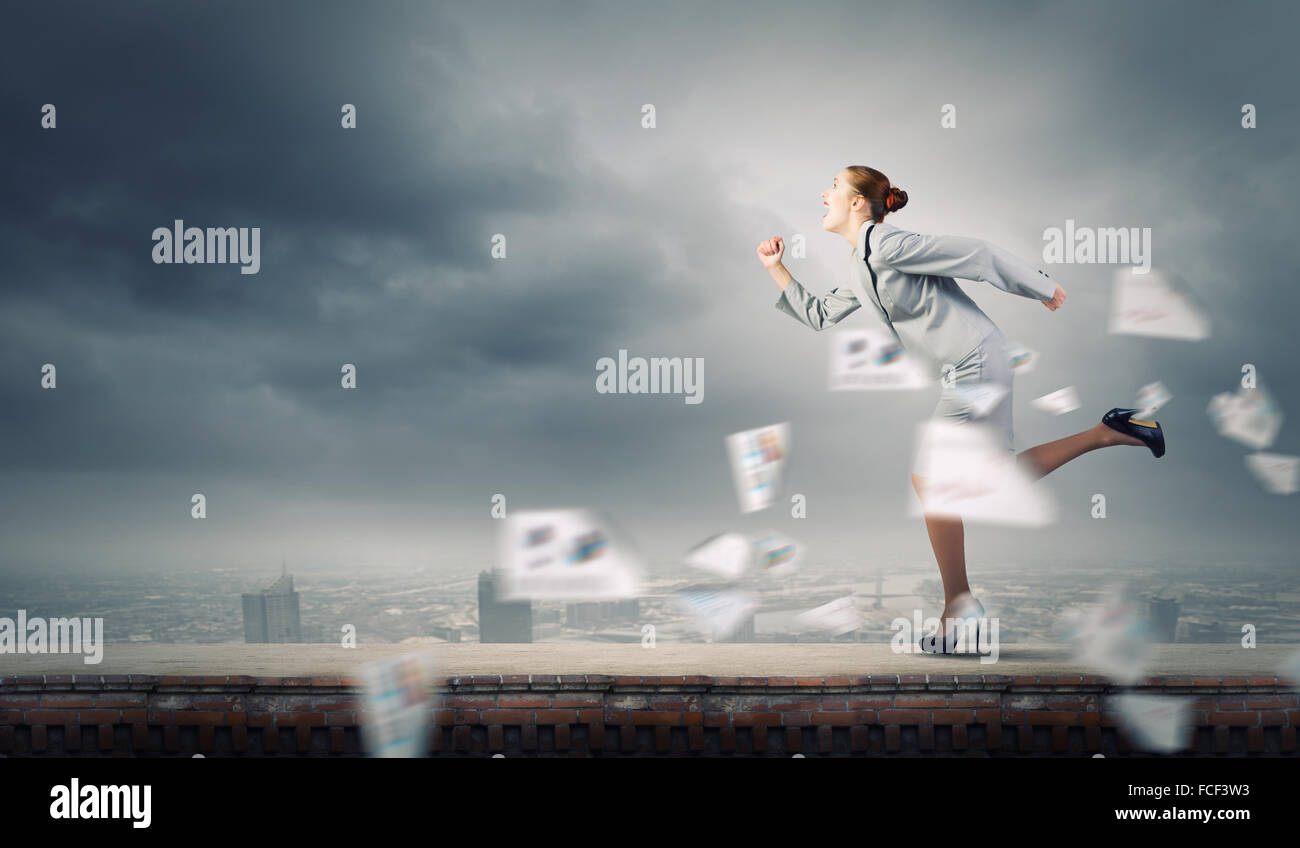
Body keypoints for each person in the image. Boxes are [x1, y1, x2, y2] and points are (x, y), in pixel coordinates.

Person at [757, 165, 1166, 653]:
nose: (824, 193)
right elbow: (821, 314)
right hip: (968, 368)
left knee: (931, 480)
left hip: (975, 361)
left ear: (858, 203)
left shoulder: (887, 245)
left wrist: (1039, 286)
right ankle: (1109, 431)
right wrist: (776, 270)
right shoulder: (859, 265)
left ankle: (960, 607)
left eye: (834, 186)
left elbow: (976, 253)